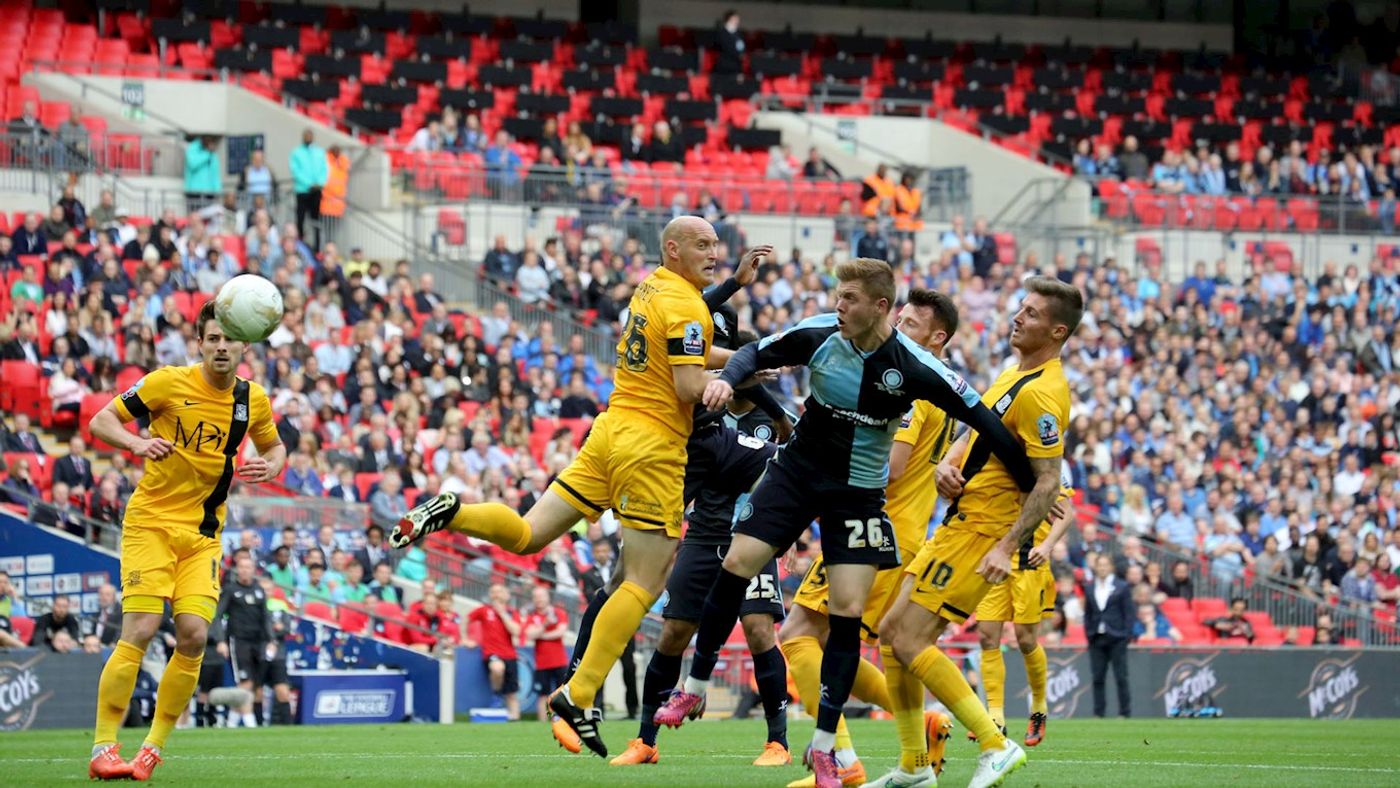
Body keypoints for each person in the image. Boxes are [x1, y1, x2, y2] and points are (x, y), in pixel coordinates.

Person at [654, 261, 1038, 788]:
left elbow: (986, 422)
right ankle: (694, 684)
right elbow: (754, 349)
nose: (839, 306)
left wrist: (1030, 484)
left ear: (878, 306)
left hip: (857, 495)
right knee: (738, 563)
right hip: (794, 475)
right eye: (838, 295)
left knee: (846, 616)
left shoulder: (917, 368)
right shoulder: (819, 334)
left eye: (850, 298)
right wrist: (726, 377)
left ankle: (828, 751)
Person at [392, 217, 760, 758]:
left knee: (525, 534)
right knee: (645, 580)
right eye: (702, 245)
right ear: (674, 248)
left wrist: (749, 356)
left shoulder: (652, 286)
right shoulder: (685, 304)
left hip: (609, 432)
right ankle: (578, 692)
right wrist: (737, 378)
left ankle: (455, 511)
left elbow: (684, 348)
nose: (714, 252)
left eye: (715, 244)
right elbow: (687, 381)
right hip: (652, 445)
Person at [862, 276, 1076, 788]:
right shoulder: (1012, 374)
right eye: (1019, 307)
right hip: (958, 521)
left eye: (1031, 313)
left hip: (984, 531)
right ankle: (915, 765)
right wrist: (948, 465)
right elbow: (978, 430)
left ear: (1057, 330)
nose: (1017, 317)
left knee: (911, 640)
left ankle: (996, 744)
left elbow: (1049, 481)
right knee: (892, 635)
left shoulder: (1045, 394)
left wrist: (1009, 546)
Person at [86, 300, 285, 781]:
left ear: (244, 343)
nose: (220, 346)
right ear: (199, 343)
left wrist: (272, 465)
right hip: (151, 522)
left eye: (228, 338)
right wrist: (136, 443)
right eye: (211, 338)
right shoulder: (166, 382)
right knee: (142, 626)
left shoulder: (251, 399)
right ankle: (103, 747)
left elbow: (275, 446)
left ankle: (152, 748)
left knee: (195, 635)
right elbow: (101, 421)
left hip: (202, 534)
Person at [777, 290, 963, 784]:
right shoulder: (938, 388)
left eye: (911, 324)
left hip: (871, 531)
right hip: (900, 537)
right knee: (838, 642)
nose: (898, 330)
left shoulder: (908, 387)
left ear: (937, 337)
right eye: (897, 320)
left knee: (797, 635)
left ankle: (840, 758)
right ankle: (914, 727)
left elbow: (892, 467)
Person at [611, 313, 795, 767]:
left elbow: (792, 451)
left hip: (751, 536)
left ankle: (778, 743)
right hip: (705, 532)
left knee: (758, 631)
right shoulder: (704, 408)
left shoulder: (772, 418)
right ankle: (645, 740)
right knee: (673, 632)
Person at [971, 475, 1076, 748]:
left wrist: (1047, 545)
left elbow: (1066, 513)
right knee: (986, 636)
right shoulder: (993, 457)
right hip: (994, 559)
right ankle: (995, 717)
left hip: (1029, 563)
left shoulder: (1042, 458)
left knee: (1026, 639)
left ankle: (1039, 708)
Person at [215, 554, 273, 727]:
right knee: (245, 682)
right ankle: (250, 722)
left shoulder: (259, 590)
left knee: (255, 684)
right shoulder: (231, 590)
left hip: (259, 641)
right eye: (242, 567)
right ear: (237, 570)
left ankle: (231, 722)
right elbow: (218, 616)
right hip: (238, 641)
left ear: (254, 570)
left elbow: (266, 617)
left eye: (248, 567)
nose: (245, 570)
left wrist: (270, 640)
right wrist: (221, 640)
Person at [1083, 554, 1133, 718]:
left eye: (1105, 565)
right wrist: (1089, 633)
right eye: (1100, 565)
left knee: (1121, 677)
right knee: (1097, 677)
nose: (1102, 568)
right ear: (1095, 567)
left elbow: (1128, 613)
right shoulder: (1090, 587)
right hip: (1097, 637)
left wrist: (1126, 635)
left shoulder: (1122, 586)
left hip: (1117, 637)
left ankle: (1124, 713)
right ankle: (1099, 713)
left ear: (1111, 567)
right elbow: (1088, 614)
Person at [466, 583, 522, 720]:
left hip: (510, 655)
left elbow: (516, 631)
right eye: (493, 592)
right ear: (490, 595)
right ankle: (496, 693)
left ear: (505, 595)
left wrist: (502, 613)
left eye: (499, 592)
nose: (496, 595)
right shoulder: (484, 610)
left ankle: (515, 721)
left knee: (512, 694)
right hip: (492, 653)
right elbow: (466, 619)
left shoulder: (511, 612)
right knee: (497, 668)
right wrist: (465, 638)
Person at [523, 586, 570, 722]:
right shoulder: (532, 617)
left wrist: (540, 634)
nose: (539, 599)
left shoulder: (558, 612)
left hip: (559, 660)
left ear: (547, 597)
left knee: (562, 693)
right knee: (542, 694)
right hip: (542, 663)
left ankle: (564, 721)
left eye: (541, 596)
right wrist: (544, 625)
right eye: (536, 597)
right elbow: (529, 634)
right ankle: (542, 722)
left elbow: (560, 632)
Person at [289, 129, 328, 242]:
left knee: (316, 219)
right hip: (302, 190)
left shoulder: (319, 152)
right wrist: (308, 184)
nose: (308, 138)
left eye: (310, 136)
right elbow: (296, 171)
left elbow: (324, 169)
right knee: (300, 218)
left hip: (316, 191)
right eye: (306, 136)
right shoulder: (296, 152)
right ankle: (300, 241)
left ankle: (317, 245)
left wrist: (320, 183)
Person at [83, 583, 123, 653]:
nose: (104, 597)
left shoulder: (121, 612)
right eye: (101, 594)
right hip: (96, 652)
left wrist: (114, 643)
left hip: (114, 651)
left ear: (114, 597)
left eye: (107, 595)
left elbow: (120, 630)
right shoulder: (96, 614)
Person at [713, 10, 745, 75]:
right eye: (735, 19)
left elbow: (741, 47)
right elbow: (724, 47)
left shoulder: (739, 34)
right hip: (724, 66)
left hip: (736, 66)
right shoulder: (721, 33)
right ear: (729, 19)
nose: (737, 21)